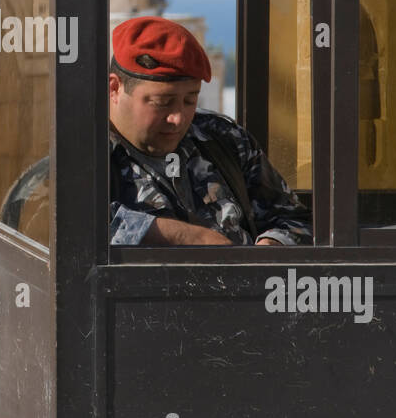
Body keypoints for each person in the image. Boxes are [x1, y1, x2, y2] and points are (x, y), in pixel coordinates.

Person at [110, 16, 312, 248]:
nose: (178, 118)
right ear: (115, 88)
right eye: (162, 102)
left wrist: (270, 247)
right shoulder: (85, 152)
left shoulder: (222, 139)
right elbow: (72, 226)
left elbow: (296, 220)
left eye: (189, 100)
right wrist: (187, 237)